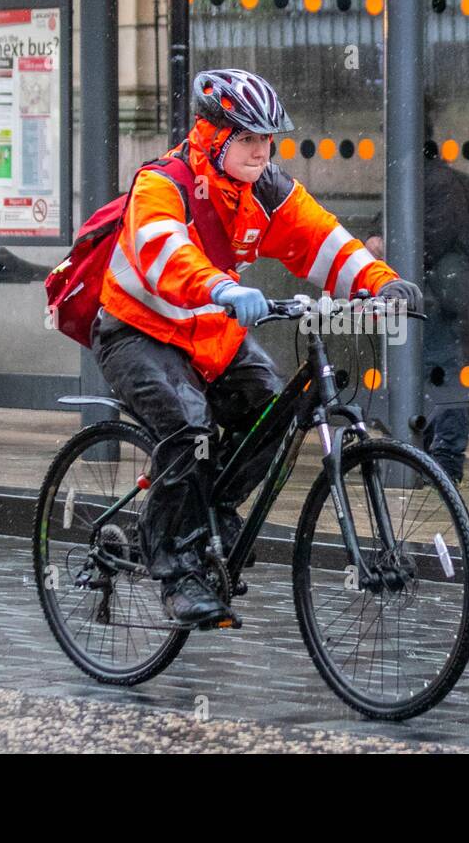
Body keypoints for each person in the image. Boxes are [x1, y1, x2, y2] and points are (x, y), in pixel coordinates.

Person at [91, 69, 423, 626]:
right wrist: (221, 286)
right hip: (139, 330)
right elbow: (165, 253)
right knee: (189, 427)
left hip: (210, 335)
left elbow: (321, 239)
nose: (262, 150)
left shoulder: (265, 188)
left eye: (268, 139)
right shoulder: (162, 184)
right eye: (248, 138)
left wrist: (379, 282)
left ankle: (211, 515)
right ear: (212, 136)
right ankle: (172, 565)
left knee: (278, 413)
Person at [365, 148, 469, 486]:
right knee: (426, 370)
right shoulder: (418, 180)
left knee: (441, 370)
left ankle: (447, 457)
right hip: (419, 293)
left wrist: (384, 243)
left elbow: (427, 240)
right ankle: (435, 454)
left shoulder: (434, 182)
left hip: (434, 294)